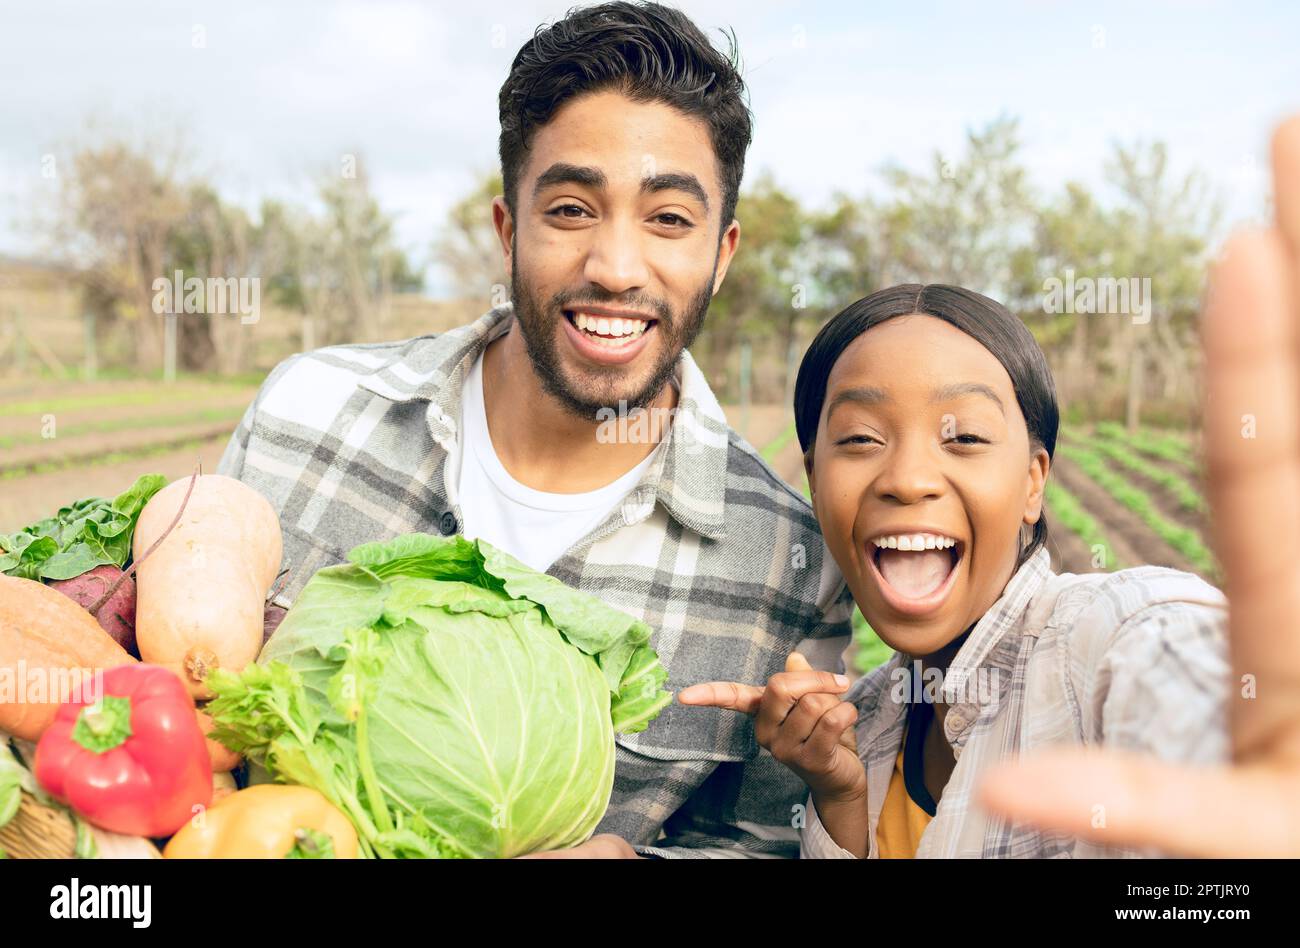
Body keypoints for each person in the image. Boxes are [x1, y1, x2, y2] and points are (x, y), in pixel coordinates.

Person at [217, 1, 853, 858]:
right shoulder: (306, 411)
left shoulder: (788, 561)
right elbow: (187, 717)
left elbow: (760, 843)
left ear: (722, 253)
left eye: (669, 219)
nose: (615, 268)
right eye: (570, 210)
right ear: (508, 228)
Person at [681, 280, 1231, 857]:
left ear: (1032, 482)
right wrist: (841, 800)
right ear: (815, 481)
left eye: (964, 436)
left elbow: (1189, 688)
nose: (907, 479)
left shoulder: (1104, 639)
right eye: (861, 438)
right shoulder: (860, 733)